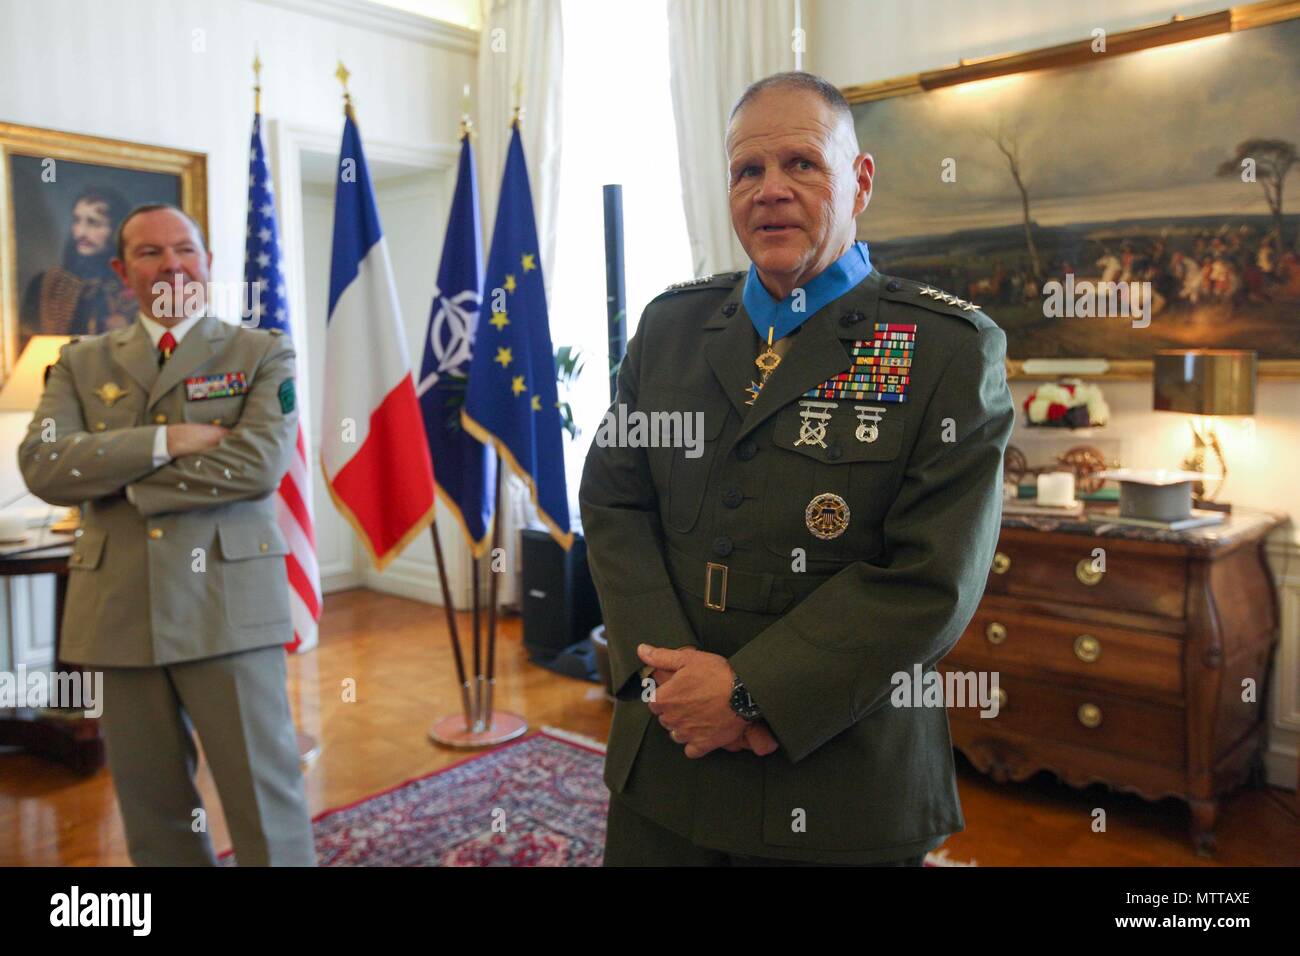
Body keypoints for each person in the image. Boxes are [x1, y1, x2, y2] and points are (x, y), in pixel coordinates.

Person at [579, 71, 1014, 866]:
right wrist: (677, 687)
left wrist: (749, 695)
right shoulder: (670, 327)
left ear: (860, 180)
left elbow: (931, 577)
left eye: (801, 164)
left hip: (841, 782)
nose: (770, 191)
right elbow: (614, 506)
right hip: (669, 770)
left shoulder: (947, 349)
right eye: (748, 171)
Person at [18, 204, 315, 866]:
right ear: (124, 272)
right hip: (121, 608)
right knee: (153, 811)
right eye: (150, 253)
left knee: (265, 800)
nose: (171, 264)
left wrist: (117, 478)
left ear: (206, 263)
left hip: (228, 607)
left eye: (185, 249)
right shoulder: (78, 362)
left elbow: (258, 465)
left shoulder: (261, 352)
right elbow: (43, 464)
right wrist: (166, 440)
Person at [20, 184, 136, 340]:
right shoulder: (45, 285)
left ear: (116, 230)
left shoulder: (137, 287)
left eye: (93, 223)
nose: (81, 232)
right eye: (76, 221)